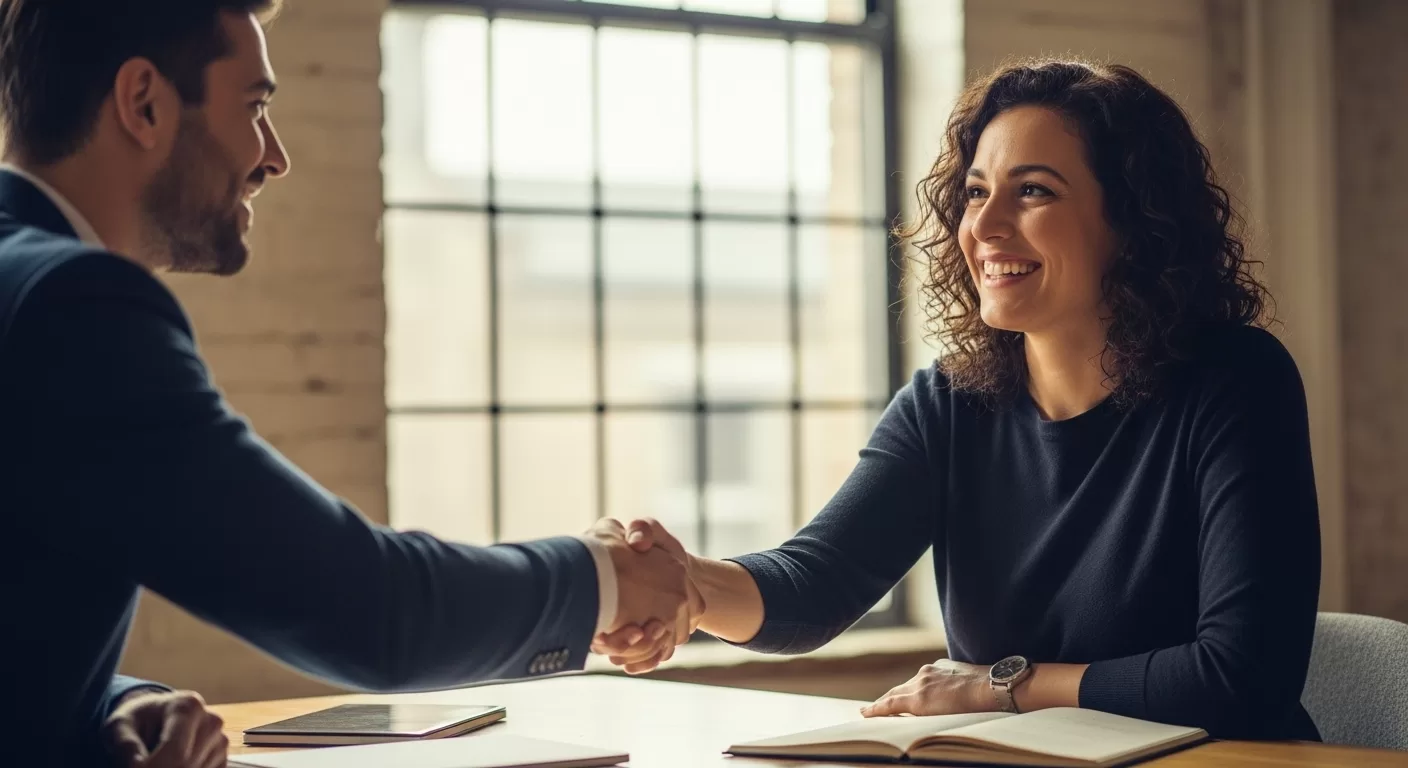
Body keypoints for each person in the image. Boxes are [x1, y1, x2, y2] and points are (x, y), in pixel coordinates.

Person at [0, 2, 700, 765]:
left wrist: (113, 700)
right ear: (144, 102)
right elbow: (371, 611)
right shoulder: (73, 309)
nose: (274, 157)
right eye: (254, 106)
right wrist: (601, 580)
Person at [596, 59, 1323, 742]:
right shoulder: (948, 402)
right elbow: (814, 587)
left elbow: (1242, 679)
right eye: (977, 192)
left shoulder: (1236, 381)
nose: (985, 226)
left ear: (1132, 225)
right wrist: (686, 586)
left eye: (1032, 190)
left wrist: (1000, 687)